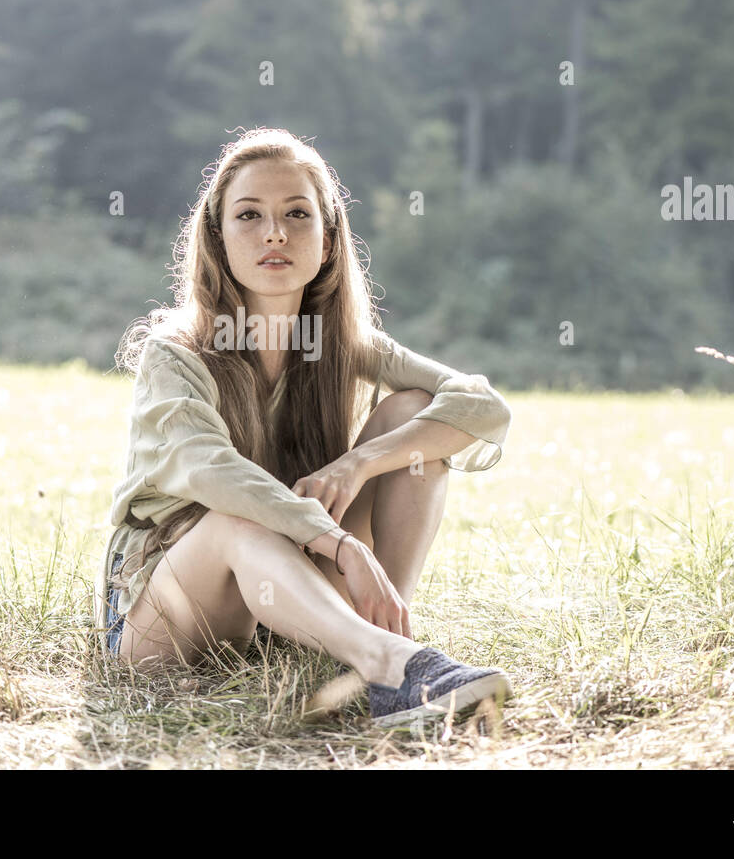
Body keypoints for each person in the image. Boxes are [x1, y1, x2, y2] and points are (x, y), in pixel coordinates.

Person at [94, 127, 514, 727]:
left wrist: (359, 463)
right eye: (249, 215)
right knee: (235, 515)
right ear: (217, 237)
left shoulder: (345, 345)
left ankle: (381, 649)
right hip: (168, 615)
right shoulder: (174, 355)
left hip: (287, 599)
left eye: (297, 213)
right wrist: (339, 543)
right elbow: (214, 473)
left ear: (329, 236)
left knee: (410, 412)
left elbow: (481, 407)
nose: (275, 233)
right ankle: (390, 663)